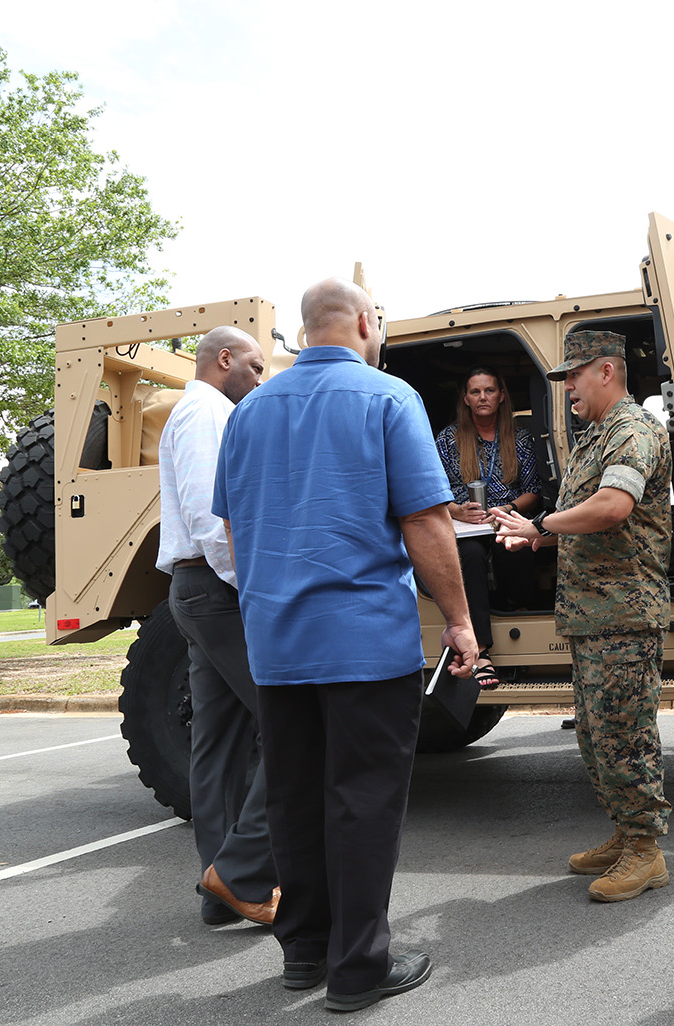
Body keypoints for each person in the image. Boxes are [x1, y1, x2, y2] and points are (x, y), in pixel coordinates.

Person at [211, 278, 480, 1013]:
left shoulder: (249, 411)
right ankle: (360, 964)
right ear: (364, 322)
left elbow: (234, 531)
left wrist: (271, 601)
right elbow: (426, 524)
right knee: (361, 800)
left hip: (277, 641)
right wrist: (458, 619)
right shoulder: (388, 398)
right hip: (364, 641)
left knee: (294, 795)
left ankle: (304, 950)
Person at [492, 330, 673, 902]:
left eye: (574, 374)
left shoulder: (633, 430)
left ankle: (646, 851)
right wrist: (537, 537)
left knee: (625, 735)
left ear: (607, 371)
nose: (567, 385)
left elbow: (614, 507)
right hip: (593, 615)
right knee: (596, 736)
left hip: (623, 612)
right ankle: (625, 833)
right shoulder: (597, 437)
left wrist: (542, 525)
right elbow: (581, 516)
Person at [155, 325, 277, 927]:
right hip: (220, 588)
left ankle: (221, 889)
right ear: (223, 359)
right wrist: (257, 589)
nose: (261, 378)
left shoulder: (199, 411)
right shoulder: (206, 412)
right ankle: (241, 873)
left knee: (219, 743)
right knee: (292, 724)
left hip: (199, 590)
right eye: (255, 367)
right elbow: (213, 520)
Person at [435, 367, 542, 684]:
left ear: (501, 396)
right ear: (466, 399)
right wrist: (457, 510)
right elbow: (434, 492)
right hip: (464, 525)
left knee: (515, 547)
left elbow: (534, 491)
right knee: (469, 555)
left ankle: (517, 612)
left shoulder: (519, 437)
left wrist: (507, 509)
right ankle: (480, 650)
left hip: (506, 519)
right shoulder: (447, 440)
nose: (483, 397)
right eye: (475, 392)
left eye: (489, 390)